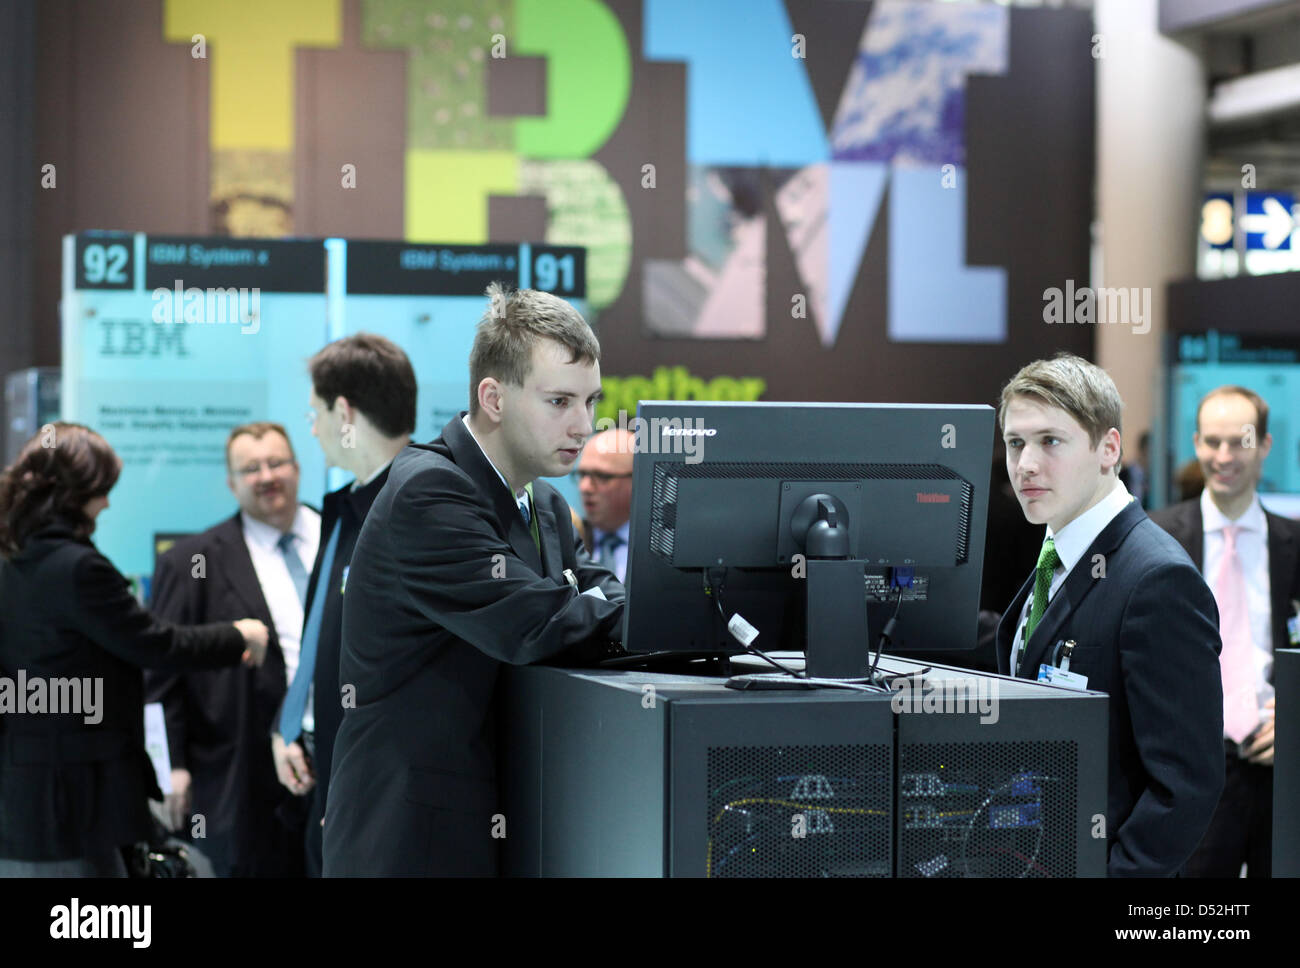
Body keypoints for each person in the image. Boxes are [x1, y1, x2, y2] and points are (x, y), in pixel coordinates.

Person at [323, 284, 625, 876]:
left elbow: (602, 594)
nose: (583, 425)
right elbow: (538, 621)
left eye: (592, 402)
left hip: (499, 823)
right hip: (408, 839)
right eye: (559, 401)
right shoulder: (428, 492)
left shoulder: (546, 506)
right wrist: (683, 615)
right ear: (494, 397)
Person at [0, 423, 268, 876]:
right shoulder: (77, 568)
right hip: (74, 806)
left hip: (27, 803)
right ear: (75, 492)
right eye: (102, 489)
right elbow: (156, 642)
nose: (107, 502)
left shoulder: (16, 560)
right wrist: (240, 635)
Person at [995, 354, 1223, 877]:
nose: (1026, 463)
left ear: (1109, 449)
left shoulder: (1156, 580)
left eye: (1050, 441)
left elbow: (1186, 785)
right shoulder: (1056, 552)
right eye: (1015, 443)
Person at [145, 422, 319, 877]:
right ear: (232, 483)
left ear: (297, 468)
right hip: (241, 775)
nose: (266, 476)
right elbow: (161, 674)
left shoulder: (342, 537)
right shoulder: (191, 562)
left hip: (342, 758)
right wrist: (171, 766)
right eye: (250, 468)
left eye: (276, 462)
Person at [270, 333, 415, 877]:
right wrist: (287, 728)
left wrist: (354, 792)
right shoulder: (343, 509)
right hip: (325, 778)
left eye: (316, 412)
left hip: (377, 800)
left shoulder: (417, 507)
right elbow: (323, 643)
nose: (312, 426)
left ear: (344, 411)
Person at [1150, 385, 1300, 877]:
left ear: (1265, 446)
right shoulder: (1154, 540)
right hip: (1191, 772)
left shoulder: (1295, 544)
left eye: (1240, 441)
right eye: (1212, 442)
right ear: (1195, 443)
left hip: (1282, 770)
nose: (1224, 456)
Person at [574, 428, 635, 582]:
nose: (585, 487)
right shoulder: (566, 541)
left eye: (602, 476)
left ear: (637, 479)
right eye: (582, 475)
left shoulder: (662, 551)